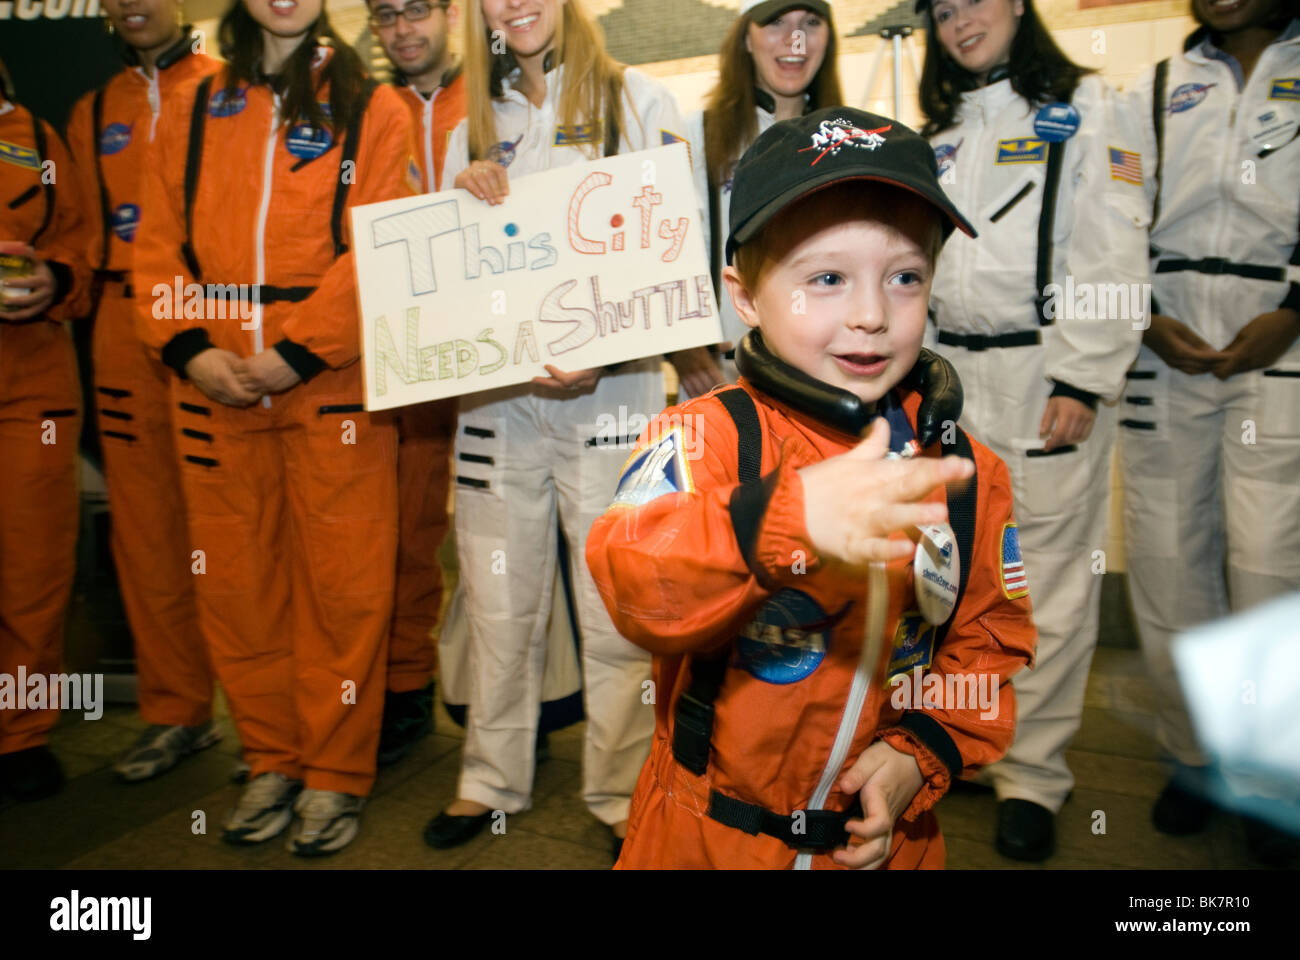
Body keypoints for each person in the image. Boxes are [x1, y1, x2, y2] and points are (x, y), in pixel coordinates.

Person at [586, 106, 1037, 869]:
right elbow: (636, 576)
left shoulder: (962, 472)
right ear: (747, 295)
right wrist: (779, 521)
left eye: (904, 277)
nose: (870, 315)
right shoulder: (705, 436)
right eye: (825, 278)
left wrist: (920, 755)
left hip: (890, 843)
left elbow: (988, 643)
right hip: (703, 836)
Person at [132, 0, 418, 854]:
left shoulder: (375, 104)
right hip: (213, 381)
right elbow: (156, 241)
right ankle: (271, 759)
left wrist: (298, 352)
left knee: (346, 590)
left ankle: (334, 773)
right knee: (237, 586)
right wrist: (189, 349)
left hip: (328, 380)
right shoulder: (193, 104)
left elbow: (381, 245)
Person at [424, 0, 690, 858]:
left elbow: (678, 256)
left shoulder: (639, 101)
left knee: (616, 608)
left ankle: (619, 792)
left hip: (613, 398)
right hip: (498, 404)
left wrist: (607, 356)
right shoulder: (468, 121)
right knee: (499, 603)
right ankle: (490, 781)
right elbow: (439, 282)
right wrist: (458, 203)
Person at [916, 0, 1147, 861]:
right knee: (958, 581)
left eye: (975, 0)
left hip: (1045, 377)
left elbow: (1119, 248)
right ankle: (971, 745)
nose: (960, 21)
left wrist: (1085, 375)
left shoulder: (1088, 105)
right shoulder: (937, 129)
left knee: (1045, 580)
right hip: (953, 383)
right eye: (942, 11)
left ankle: (1035, 777)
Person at [1121, 0, 1300, 865]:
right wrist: (1144, 315)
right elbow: (1113, 218)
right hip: (1167, 338)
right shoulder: (1157, 86)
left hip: (1281, 336)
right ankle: (1190, 756)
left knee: (1269, 565)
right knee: (1167, 558)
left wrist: (1293, 313)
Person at [65, 0, 223, 784]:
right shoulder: (93, 111)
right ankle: (176, 711)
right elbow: (74, 232)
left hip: (216, 321)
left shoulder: (233, 88)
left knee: (243, 529)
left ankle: (285, 726)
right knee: (147, 531)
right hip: (122, 326)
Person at [366, 0, 466, 766]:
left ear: (453, 12)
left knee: (511, 546)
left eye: (417, 10)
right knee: (401, 533)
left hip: (499, 344)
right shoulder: (369, 110)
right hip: (401, 357)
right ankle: (402, 690)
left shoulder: (492, 100)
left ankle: (507, 705)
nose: (403, 30)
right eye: (384, 14)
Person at [0, 62, 91, 802]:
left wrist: (55, 281)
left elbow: (81, 246)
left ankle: (21, 731)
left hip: (32, 384)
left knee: (32, 562)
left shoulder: (37, 138)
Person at [684, 0, 843, 396]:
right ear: (746, 39)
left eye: (810, 22)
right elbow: (666, 251)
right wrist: (684, 351)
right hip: (724, 376)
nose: (795, 39)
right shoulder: (698, 133)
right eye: (775, 22)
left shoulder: (853, 137)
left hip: (830, 374)